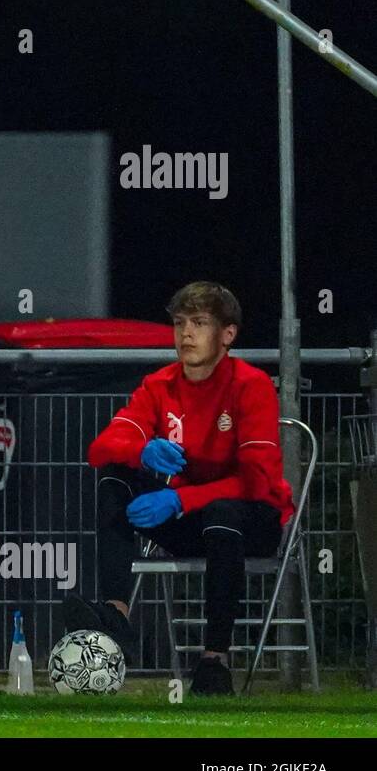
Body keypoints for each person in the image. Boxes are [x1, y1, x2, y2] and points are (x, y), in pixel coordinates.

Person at [64, 282, 294, 695]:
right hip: (193, 517)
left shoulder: (250, 384)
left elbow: (257, 480)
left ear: (227, 334)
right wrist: (141, 450)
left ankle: (214, 661)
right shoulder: (159, 384)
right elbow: (101, 448)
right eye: (179, 323)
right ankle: (117, 616)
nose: (186, 334)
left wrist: (179, 497)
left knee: (223, 512)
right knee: (115, 476)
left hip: (253, 519)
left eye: (200, 323)